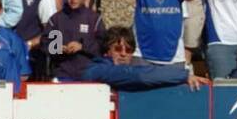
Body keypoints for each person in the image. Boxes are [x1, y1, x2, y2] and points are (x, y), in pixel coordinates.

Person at [81, 26, 210, 91]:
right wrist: (183, 76)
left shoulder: (130, 68)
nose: (124, 54)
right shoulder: (97, 69)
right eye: (118, 49)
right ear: (106, 51)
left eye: (129, 50)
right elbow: (141, 76)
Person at [44, 0, 104, 80]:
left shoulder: (94, 19)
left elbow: (102, 45)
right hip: (62, 73)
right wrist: (58, 48)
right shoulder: (56, 19)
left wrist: (82, 46)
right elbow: (45, 44)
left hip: (89, 74)